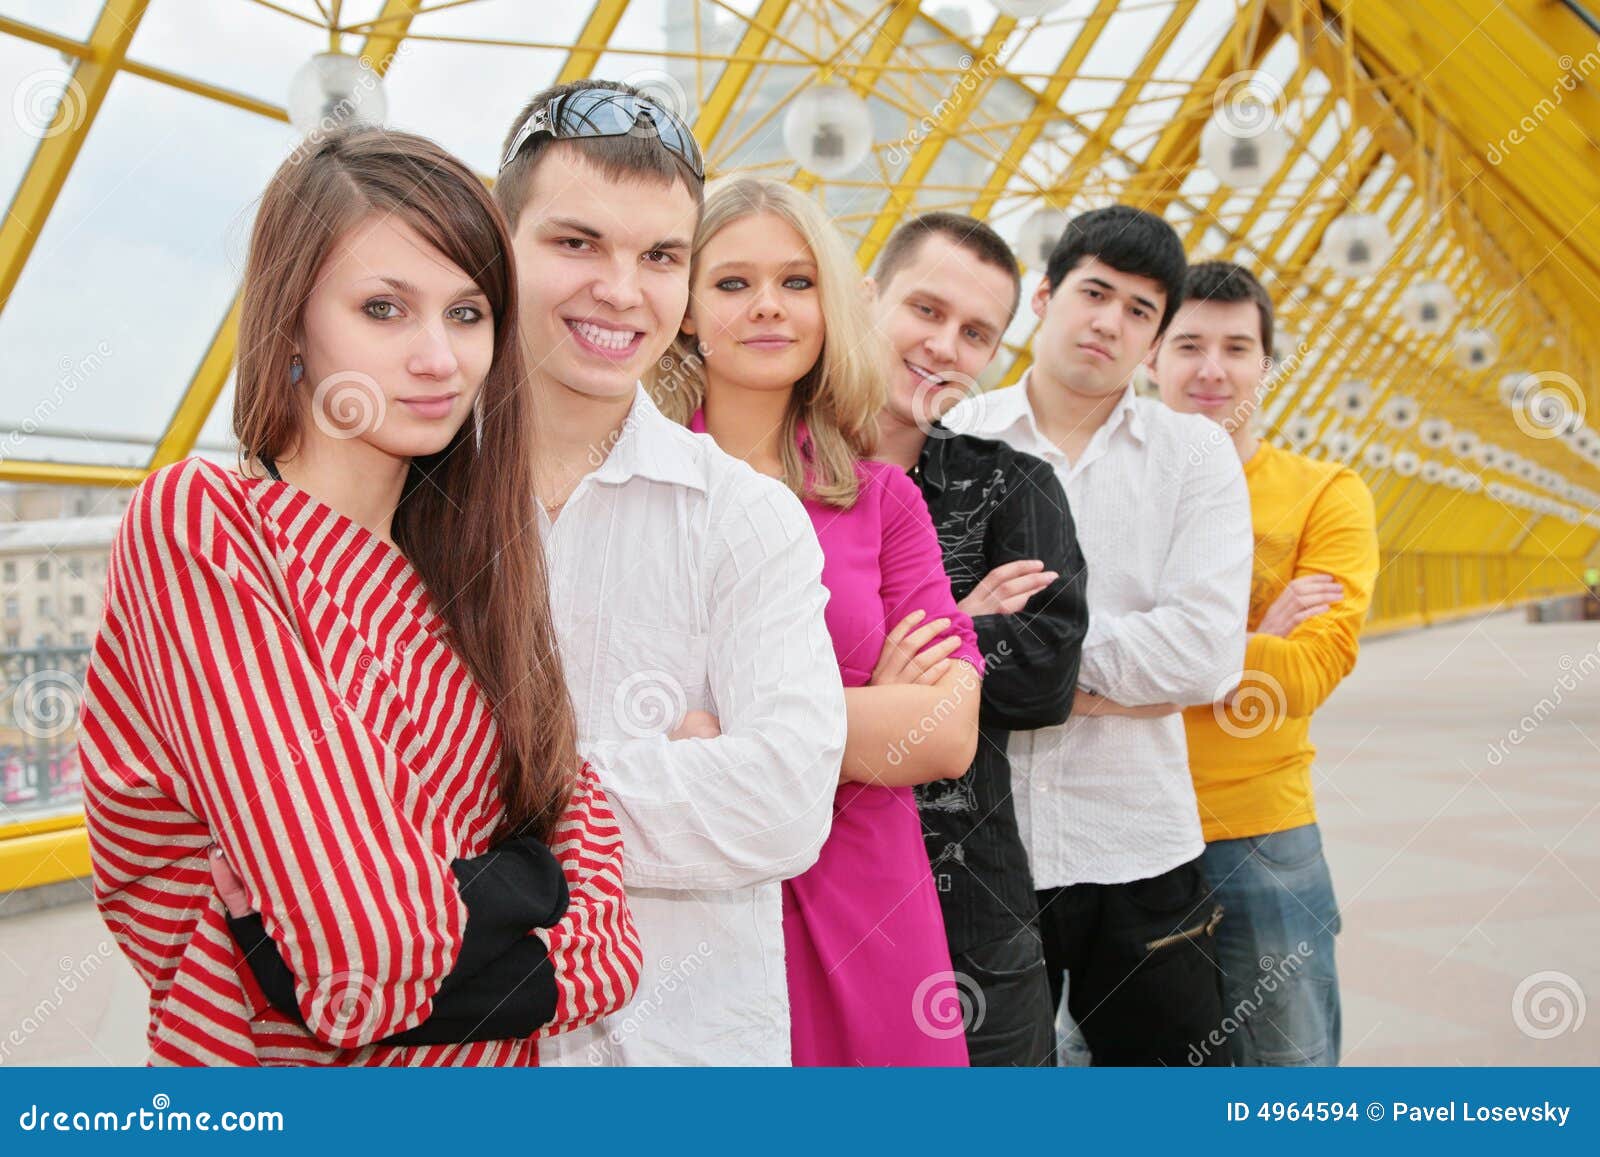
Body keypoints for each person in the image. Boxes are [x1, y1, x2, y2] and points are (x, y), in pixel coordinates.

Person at [77, 127, 640, 1066]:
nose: (439, 358)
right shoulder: (209, 524)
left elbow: (613, 942)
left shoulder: (477, 573)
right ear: (292, 322)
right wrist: (530, 892)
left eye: (468, 314)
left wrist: (312, 931)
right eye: (384, 308)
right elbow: (356, 953)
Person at [493, 82, 847, 1066]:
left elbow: (782, 801)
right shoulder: (404, 498)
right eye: (577, 243)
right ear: (497, 241)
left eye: (659, 257)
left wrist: (476, 795)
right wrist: (674, 766)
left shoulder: (745, 516)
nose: (620, 289)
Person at [652, 176, 982, 1066]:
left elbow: (945, 732)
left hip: (866, 897)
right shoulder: (634, 492)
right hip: (684, 893)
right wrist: (860, 706)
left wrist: (727, 731)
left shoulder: (883, 500)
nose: (768, 306)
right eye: (731, 283)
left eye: (797, 282)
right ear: (684, 309)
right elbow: (610, 713)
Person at [946, 205, 1252, 1066]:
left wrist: (1022, 665)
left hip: (1141, 845)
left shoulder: (1192, 454)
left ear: (1154, 341)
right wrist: (1109, 683)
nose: (1111, 322)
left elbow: (1206, 653)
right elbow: (920, 634)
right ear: (1044, 296)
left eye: (1141, 311)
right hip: (979, 856)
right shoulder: (954, 441)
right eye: (1095, 292)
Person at [869, 212, 1089, 1066]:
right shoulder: (771, 469)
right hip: (801, 883)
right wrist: (964, 614)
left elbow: (1042, 676)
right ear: (867, 300)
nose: (944, 347)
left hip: (971, 899)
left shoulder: (1011, 484)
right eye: (925, 310)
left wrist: (910, 643)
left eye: (976, 333)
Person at [1149, 260, 1377, 1066]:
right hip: (1123, 826)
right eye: (1189, 344)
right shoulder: (1098, 487)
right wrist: (1253, 632)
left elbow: (1311, 670)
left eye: (1238, 347)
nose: (1212, 368)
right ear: (1151, 356)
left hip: (1261, 830)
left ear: (1267, 366)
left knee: (1291, 1071)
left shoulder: (1325, 493)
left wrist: (1163, 642)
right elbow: (1067, 656)